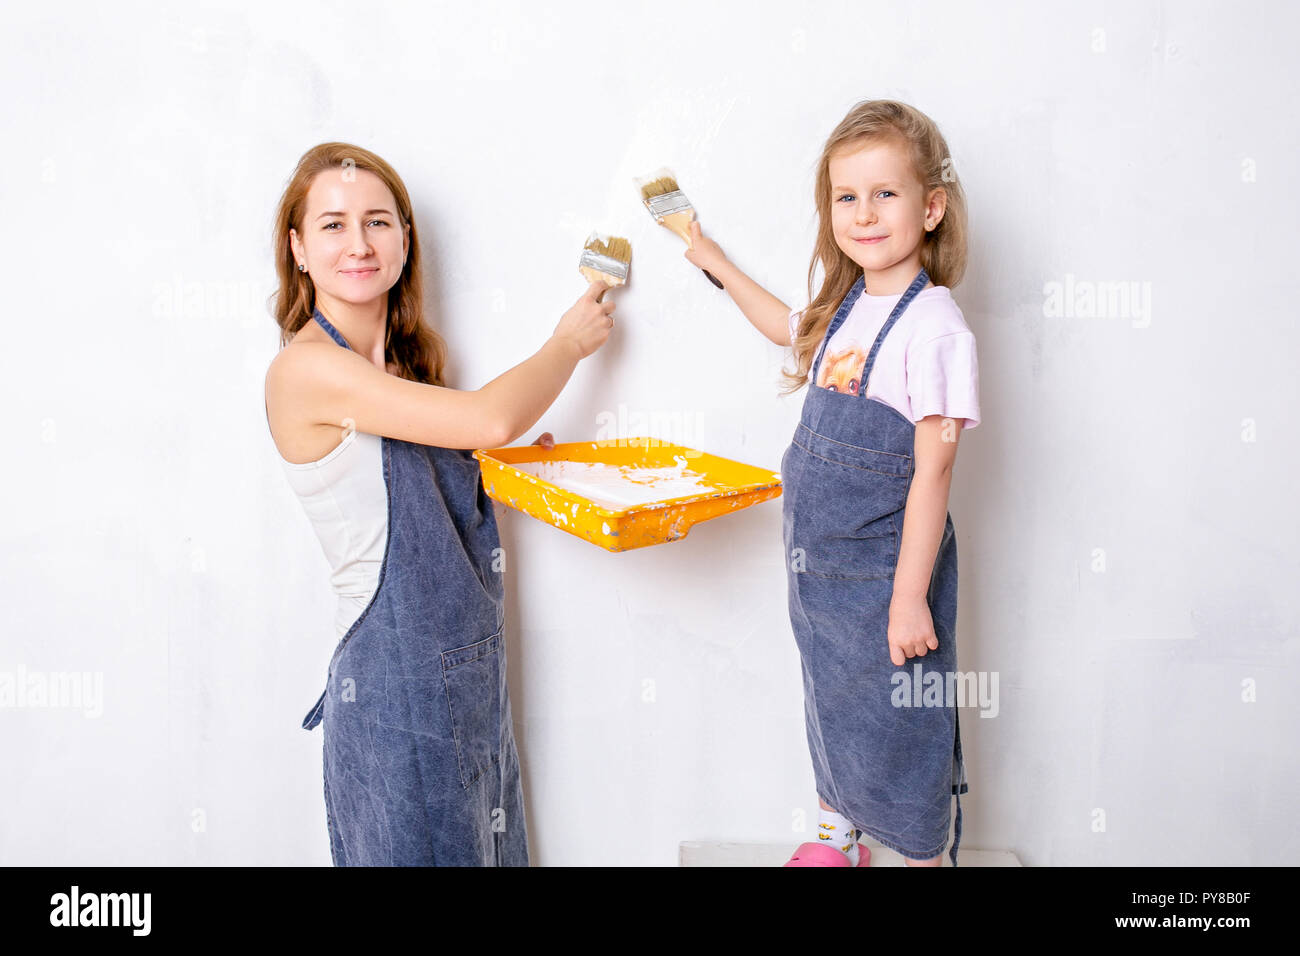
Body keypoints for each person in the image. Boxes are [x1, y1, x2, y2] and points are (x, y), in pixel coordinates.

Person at [263, 142, 615, 865]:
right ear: (297, 248)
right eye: (332, 225)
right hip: (393, 698)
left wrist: (505, 470)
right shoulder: (304, 370)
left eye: (378, 222)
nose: (359, 243)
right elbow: (489, 418)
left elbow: (466, 467)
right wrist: (567, 344)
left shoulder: (410, 371)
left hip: (471, 688)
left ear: (404, 240)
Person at [682, 100, 979, 867]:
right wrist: (712, 260)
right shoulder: (847, 305)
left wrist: (910, 595)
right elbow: (784, 325)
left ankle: (923, 852)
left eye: (886, 194)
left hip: (886, 573)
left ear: (932, 208)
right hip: (820, 572)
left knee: (901, 717)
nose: (865, 213)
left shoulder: (935, 326)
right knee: (833, 700)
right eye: (847, 196)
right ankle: (836, 833)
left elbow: (934, 469)